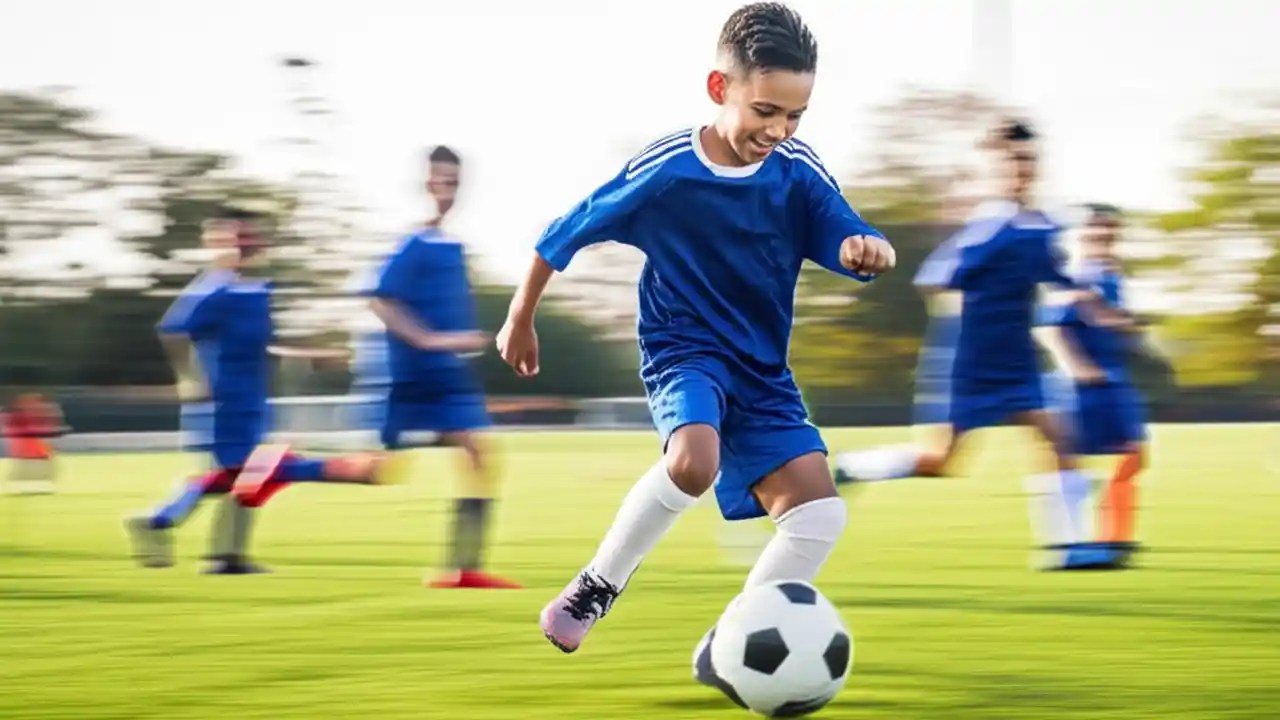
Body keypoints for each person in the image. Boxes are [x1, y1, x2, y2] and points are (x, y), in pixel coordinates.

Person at [497, 2, 894, 653]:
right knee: (693, 461)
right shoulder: (669, 169)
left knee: (819, 515)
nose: (779, 129)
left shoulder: (797, 170)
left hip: (762, 370)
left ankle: (731, 645)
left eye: (795, 115)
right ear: (720, 89)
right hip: (684, 349)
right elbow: (565, 230)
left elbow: (840, 220)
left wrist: (863, 246)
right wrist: (520, 317)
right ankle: (598, 583)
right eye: (766, 111)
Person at [830, 119, 1124, 570]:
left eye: (1029, 161)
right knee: (941, 460)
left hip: (1018, 363)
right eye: (1014, 162)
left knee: (1059, 438)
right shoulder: (990, 226)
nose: (1024, 169)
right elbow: (935, 279)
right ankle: (854, 468)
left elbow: (1059, 278)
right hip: (970, 366)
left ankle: (1066, 549)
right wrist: (972, 314)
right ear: (999, 169)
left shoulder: (1042, 226)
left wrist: (1095, 304)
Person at [124, 208, 388, 574]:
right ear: (216, 242)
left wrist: (315, 355)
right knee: (254, 472)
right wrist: (190, 379)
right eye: (237, 237)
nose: (247, 243)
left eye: (251, 236)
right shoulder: (212, 288)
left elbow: (267, 344)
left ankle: (223, 554)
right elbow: (173, 331)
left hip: (252, 402)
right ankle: (167, 525)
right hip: (221, 404)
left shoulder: (257, 291)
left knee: (245, 479)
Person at [364, 146, 521, 589]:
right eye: (440, 181)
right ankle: (283, 470)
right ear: (426, 182)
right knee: (378, 471)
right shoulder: (414, 243)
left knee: (479, 455)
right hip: (412, 379)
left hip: (447, 382)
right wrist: (430, 340)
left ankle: (464, 569)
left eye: (454, 183)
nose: (446, 190)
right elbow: (380, 299)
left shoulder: (450, 245)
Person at [1036, 203, 1152, 557]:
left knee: (1134, 454)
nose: (1104, 236)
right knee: (1070, 459)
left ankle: (1113, 537)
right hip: (1083, 386)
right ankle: (1070, 539)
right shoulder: (1075, 277)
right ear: (1082, 236)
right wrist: (1077, 367)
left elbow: (1114, 323)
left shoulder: (1111, 277)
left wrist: (1127, 326)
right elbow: (1049, 328)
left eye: (1109, 230)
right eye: (1096, 230)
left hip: (1115, 380)